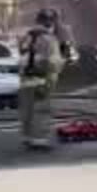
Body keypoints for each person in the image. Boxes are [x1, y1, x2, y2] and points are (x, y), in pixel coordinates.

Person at [18, 8, 70, 150]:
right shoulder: (49, 39)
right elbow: (53, 61)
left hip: (25, 79)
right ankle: (39, 139)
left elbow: (22, 54)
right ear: (51, 21)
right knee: (42, 109)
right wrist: (63, 57)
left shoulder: (26, 36)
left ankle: (27, 137)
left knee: (27, 110)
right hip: (42, 78)